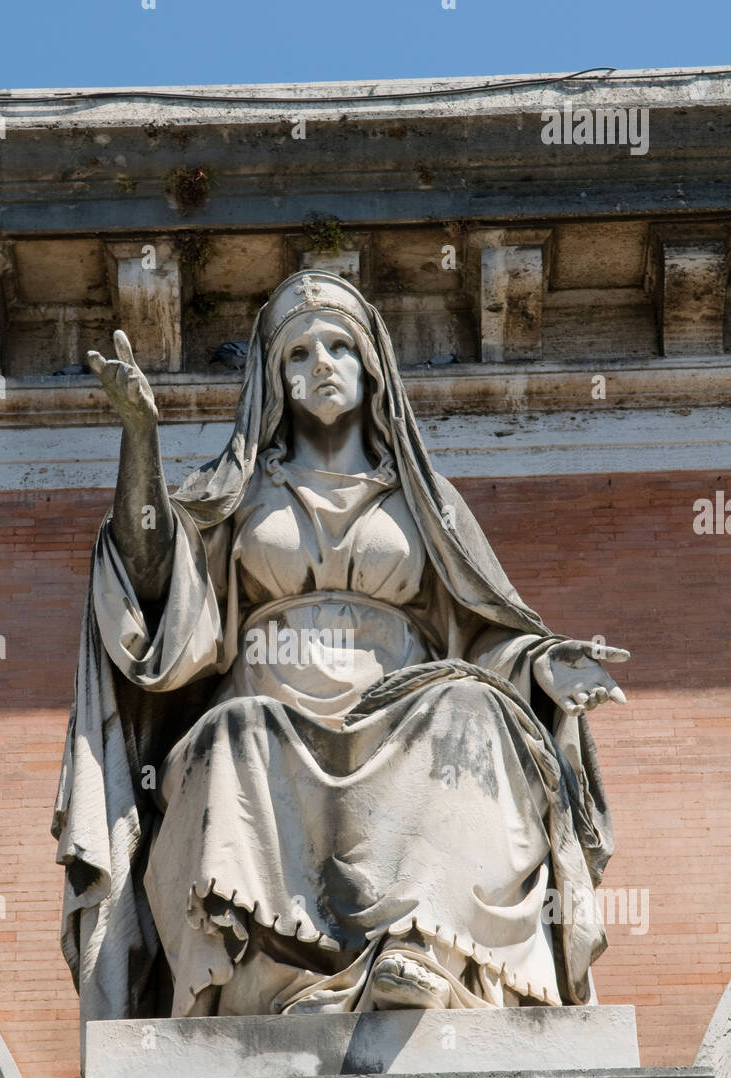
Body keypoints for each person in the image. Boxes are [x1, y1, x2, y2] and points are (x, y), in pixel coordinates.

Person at [53, 271, 629, 1027]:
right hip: (266, 710)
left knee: (466, 706)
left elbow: (486, 636)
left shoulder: (426, 503)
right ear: (274, 381)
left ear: (369, 367)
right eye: (296, 355)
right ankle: (266, 973)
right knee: (232, 735)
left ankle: (418, 946)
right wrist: (140, 443)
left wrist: (543, 666)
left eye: (337, 347)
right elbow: (149, 580)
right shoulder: (234, 493)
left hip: (405, 709)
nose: (319, 365)